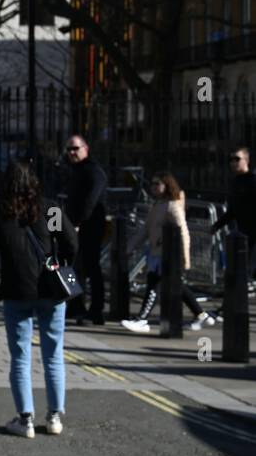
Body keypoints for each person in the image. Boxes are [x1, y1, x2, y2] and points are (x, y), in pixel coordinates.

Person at [0, 161, 77, 438]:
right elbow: (71, 242)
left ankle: (25, 419)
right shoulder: (50, 209)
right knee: (53, 354)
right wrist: (62, 264)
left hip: (16, 290)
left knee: (20, 357)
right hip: (50, 289)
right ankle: (54, 417)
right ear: (33, 183)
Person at [121, 173, 218, 334]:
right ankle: (201, 315)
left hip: (167, 255)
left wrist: (185, 259)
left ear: (167, 186)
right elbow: (145, 230)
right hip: (157, 253)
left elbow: (184, 232)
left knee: (153, 286)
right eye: (152, 184)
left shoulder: (172, 206)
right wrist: (129, 248)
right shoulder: (157, 204)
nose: (153, 187)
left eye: (157, 184)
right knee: (177, 286)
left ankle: (142, 319)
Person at [60, 134, 107, 326]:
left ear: (86, 148)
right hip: (75, 224)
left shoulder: (93, 171)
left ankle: (96, 311)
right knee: (71, 266)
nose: (72, 152)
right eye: (69, 149)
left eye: (75, 148)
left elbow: (90, 201)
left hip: (89, 225)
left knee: (91, 268)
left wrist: (78, 222)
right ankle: (76, 305)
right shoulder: (76, 170)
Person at [210, 146, 256, 242]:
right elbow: (233, 211)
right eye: (231, 160)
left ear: (247, 161)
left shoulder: (253, 180)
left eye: (237, 159)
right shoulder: (235, 183)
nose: (233, 162)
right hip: (242, 236)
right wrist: (217, 225)